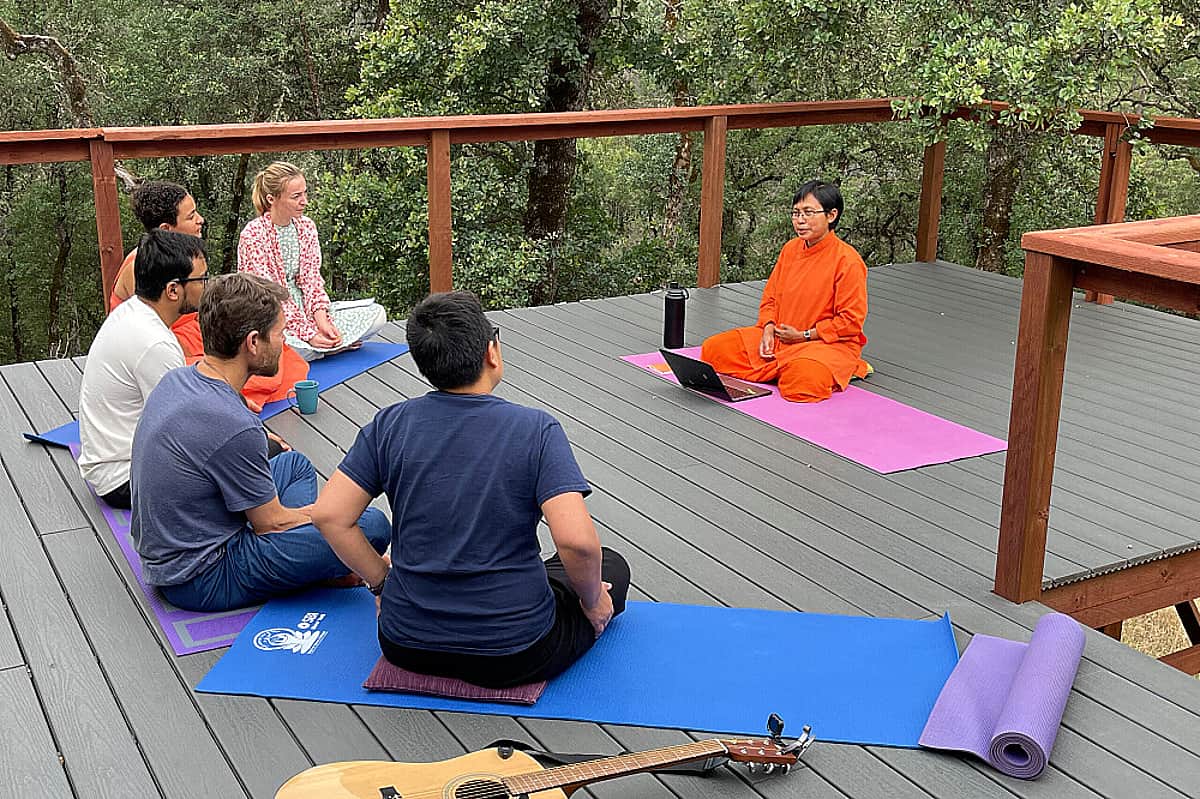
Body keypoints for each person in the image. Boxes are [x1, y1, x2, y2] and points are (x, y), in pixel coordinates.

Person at [312, 291, 630, 688]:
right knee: (611, 566)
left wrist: (381, 583)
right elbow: (578, 544)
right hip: (516, 652)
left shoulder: (389, 424)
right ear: (491, 352)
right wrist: (592, 602)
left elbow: (329, 516)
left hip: (404, 643)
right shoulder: (534, 429)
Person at [130, 273, 390, 612]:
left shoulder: (179, 378)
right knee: (370, 526)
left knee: (294, 465)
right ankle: (317, 564)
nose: (285, 343)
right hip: (200, 575)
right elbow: (272, 522)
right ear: (253, 342)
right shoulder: (234, 425)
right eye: (280, 333)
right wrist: (329, 518)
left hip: (177, 546)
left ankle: (315, 562)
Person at [109, 180, 309, 412]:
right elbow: (151, 339)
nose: (200, 219)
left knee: (263, 347)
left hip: (190, 332)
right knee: (239, 361)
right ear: (166, 229)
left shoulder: (182, 257)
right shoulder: (141, 268)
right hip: (169, 346)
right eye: (191, 216)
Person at [700, 180, 871, 402]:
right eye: (796, 213)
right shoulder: (790, 250)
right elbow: (770, 297)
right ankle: (783, 370)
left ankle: (839, 367)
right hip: (782, 338)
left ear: (831, 215)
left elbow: (850, 321)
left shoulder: (848, 261)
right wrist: (769, 328)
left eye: (808, 213)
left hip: (824, 345)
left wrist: (804, 335)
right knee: (714, 349)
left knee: (802, 383)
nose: (800, 221)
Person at [78, 230, 206, 508]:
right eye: (201, 280)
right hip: (125, 478)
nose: (205, 287)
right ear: (173, 290)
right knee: (250, 462)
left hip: (111, 461)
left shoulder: (133, 312)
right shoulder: (155, 343)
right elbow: (184, 432)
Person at [237, 161, 387, 361]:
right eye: (296, 196)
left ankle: (324, 347)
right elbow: (270, 296)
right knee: (278, 347)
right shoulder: (253, 235)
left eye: (305, 193)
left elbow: (311, 279)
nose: (304, 201)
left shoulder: (307, 227)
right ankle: (322, 349)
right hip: (272, 316)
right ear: (272, 199)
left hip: (306, 310)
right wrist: (307, 334)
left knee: (378, 315)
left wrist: (322, 321)